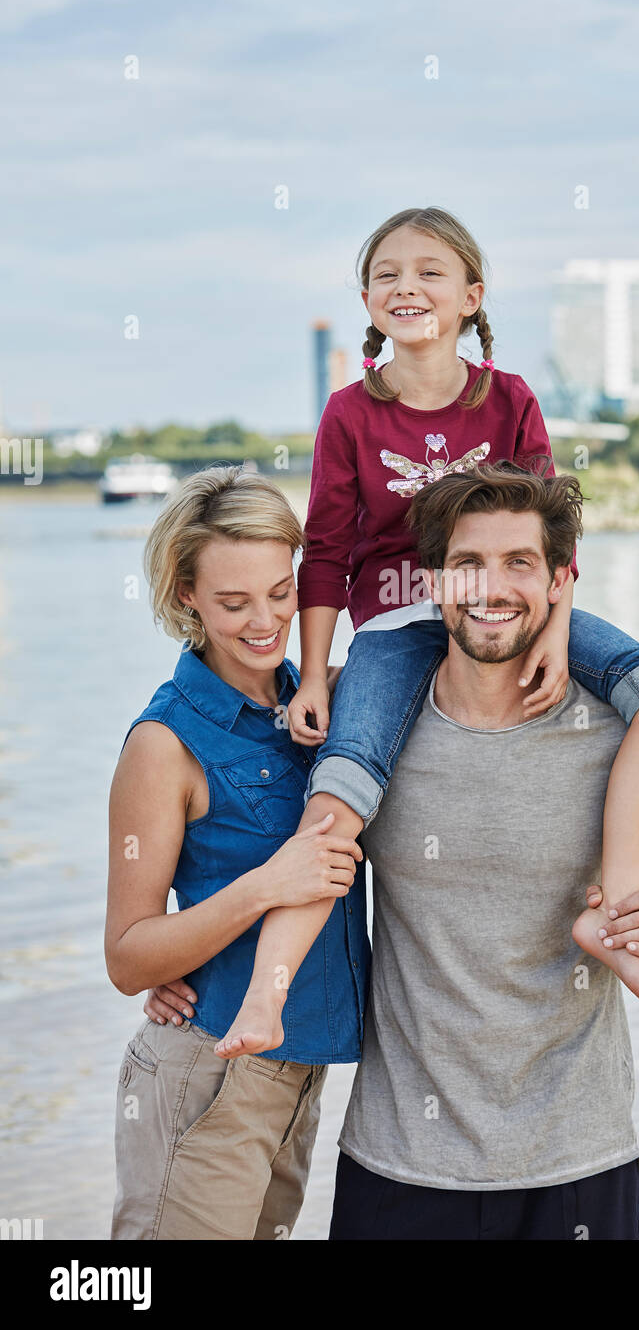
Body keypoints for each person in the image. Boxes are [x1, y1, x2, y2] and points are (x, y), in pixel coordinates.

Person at [215, 207, 639, 1060]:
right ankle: (267, 995)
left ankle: (618, 917)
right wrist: (317, 673)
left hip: (513, 600)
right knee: (338, 797)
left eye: (431, 271)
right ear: (366, 300)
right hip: (401, 620)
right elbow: (325, 550)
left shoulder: (509, 398)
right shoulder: (349, 414)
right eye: (388, 274)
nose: (409, 287)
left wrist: (555, 623)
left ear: (473, 296)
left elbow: (552, 528)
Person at [326, 462, 639, 1241]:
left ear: (560, 581)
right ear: (433, 581)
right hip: (400, 1161)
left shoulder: (620, 734)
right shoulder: (370, 730)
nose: (492, 588)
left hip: (577, 1164)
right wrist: (174, 974)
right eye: (468, 564)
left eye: (519, 563)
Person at [105, 466, 367, 1240]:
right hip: (206, 1073)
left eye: (281, 593)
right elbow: (127, 958)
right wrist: (263, 887)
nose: (265, 620)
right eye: (232, 602)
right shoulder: (163, 745)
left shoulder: (318, 702)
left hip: (295, 1074)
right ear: (185, 594)